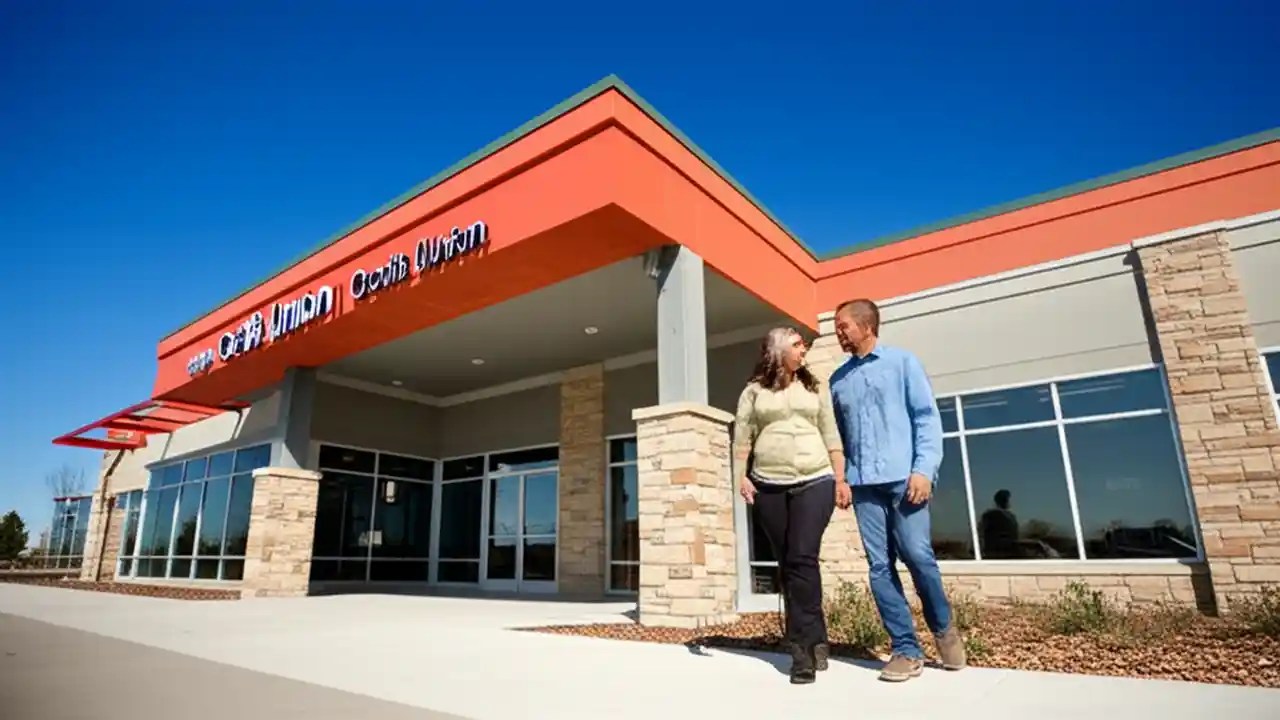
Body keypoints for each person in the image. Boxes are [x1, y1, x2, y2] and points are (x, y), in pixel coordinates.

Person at [828, 298, 966, 682]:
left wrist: (923, 470)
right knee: (879, 567)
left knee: (918, 556)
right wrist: (842, 479)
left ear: (867, 325)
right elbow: (839, 436)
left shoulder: (903, 363)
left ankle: (943, 627)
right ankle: (905, 649)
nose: (838, 332)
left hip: (905, 481)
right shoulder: (838, 380)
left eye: (844, 326)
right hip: (864, 487)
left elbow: (926, 418)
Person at [734, 327, 849, 685]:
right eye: (799, 345)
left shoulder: (814, 387)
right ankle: (816, 639)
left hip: (815, 479)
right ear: (779, 350)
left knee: (801, 556)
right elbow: (742, 437)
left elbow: (831, 434)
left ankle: (800, 652)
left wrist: (841, 479)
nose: (805, 350)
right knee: (791, 563)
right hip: (769, 484)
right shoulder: (753, 391)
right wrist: (740, 476)